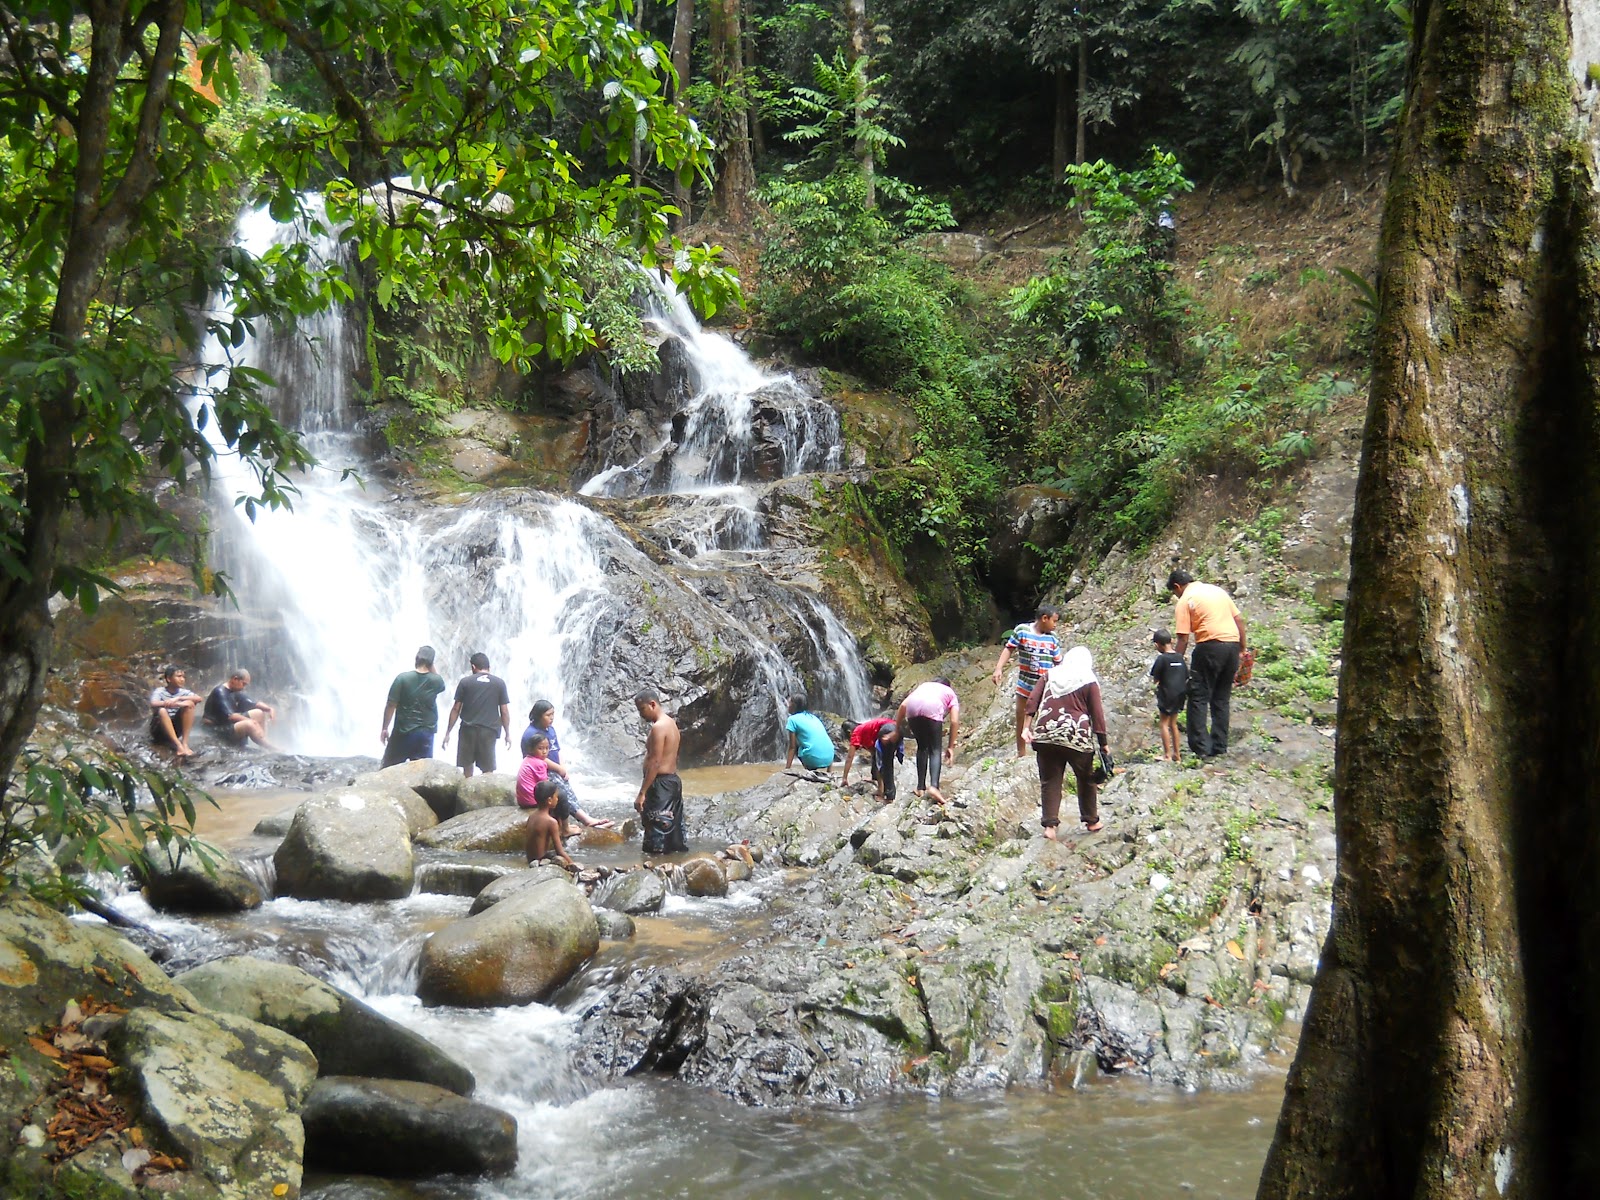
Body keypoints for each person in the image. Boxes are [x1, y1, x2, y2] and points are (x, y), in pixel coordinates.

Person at [1021, 646, 1109, 837]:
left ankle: (1050, 827)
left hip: (1045, 734)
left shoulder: (1050, 674)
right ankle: (1091, 821)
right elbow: (1097, 714)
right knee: (1085, 778)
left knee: (1050, 779)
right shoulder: (1088, 679)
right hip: (1075, 735)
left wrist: (1026, 727)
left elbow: (1032, 701)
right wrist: (1103, 743)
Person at [1168, 569, 1248, 758]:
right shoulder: (1217, 591)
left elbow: (1183, 640)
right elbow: (1239, 619)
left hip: (1210, 646)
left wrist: (1175, 665)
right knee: (1221, 698)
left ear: (1177, 587)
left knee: (1198, 696)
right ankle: (1220, 746)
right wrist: (1242, 649)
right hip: (1232, 646)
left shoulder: (1185, 600)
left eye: (1174, 592)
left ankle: (1201, 748)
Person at [521, 700, 614, 831]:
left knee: (569, 791)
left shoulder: (551, 730)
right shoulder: (531, 735)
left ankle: (584, 818)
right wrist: (558, 769)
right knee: (562, 794)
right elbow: (536, 758)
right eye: (548, 715)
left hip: (556, 769)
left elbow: (557, 750)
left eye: (553, 714)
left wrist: (563, 768)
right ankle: (585, 820)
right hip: (542, 772)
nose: (552, 718)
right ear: (538, 715)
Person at [992, 605, 1065, 756]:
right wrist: (998, 668)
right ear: (1044, 618)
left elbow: (1059, 663)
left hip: (1045, 686)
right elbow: (1009, 648)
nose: (1055, 625)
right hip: (1025, 685)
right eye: (1054, 621)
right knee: (1021, 717)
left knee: (1044, 718)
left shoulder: (1052, 638)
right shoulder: (1022, 631)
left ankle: (1043, 752)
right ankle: (1021, 752)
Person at [440, 652, 511, 778]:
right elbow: (504, 711)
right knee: (488, 770)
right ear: (489, 666)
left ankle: (465, 794)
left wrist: (448, 733)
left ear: (473, 667)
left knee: (467, 768)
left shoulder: (465, 682)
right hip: (489, 731)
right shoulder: (499, 683)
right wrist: (507, 734)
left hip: (468, 729)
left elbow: (456, 708)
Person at [633, 688, 685, 854]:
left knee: (657, 831)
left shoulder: (658, 728)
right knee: (673, 831)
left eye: (642, 709)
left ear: (652, 704)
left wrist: (642, 793)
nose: (641, 714)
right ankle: (673, 867)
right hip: (672, 782)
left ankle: (656, 869)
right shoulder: (671, 723)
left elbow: (655, 762)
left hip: (661, 785)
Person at [379, 645, 447, 767]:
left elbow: (391, 705)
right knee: (422, 774)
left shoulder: (402, 679)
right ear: (431, 663)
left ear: (416, 659)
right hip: (426, 733)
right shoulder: (436, 681)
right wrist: (431, 665)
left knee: (389, 767)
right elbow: (440, 681)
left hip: (403, 732)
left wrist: (385, 728)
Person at [895, 678, 960, 802]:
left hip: (912, 710)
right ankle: (934, 787)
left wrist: (896, 728)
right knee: (935, 750)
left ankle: (920, 787)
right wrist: (951, 747)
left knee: (922, 747)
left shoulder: (924, 686)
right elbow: (954, 721)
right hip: (932, 708)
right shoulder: (949, 692)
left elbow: (903, 705)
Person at [201, 668, 279, 751]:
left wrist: (269, 709)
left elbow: (254, 703)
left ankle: (263, 742)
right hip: (215, 729)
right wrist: (252, 721)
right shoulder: (220, 692)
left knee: (259, 713)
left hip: (227, 724)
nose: (243, 687)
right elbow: (231, 716)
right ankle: (271, 748)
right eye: (243, 684)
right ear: (235, 679)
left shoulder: (235, 692)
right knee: (249, 724)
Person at [840, 717, 903, 802]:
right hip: (897, 728)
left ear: (849, 732)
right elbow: (874, 752)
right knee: (883, 760)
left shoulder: (856, 732)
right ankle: (876, 780)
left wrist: (844, 778)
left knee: (885, 763)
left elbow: (849, 757)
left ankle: (886, 795)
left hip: (887, 730)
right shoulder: (865, 729)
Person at [1149, 630, 1189, 763]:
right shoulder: (1179, 657)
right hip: (1180, 694)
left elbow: (1156, 678)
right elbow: (1186, 676)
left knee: (1164, 724)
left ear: (1157, 645)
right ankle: (1177, 755)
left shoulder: (1162, 659)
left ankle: (1167, 755)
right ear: (1171, 641)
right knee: (1173, 724)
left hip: (1167, 694)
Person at [149, 665, 200, 761]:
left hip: (176, 729)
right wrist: (168, 703)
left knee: (189, 704)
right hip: (160, 731)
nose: (182, 679)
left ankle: (184, 743)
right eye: (179, 676)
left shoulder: (183, 692)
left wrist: (179, 699)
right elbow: (153, 703)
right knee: (162, 710)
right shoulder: (160, 691)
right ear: (168, 679)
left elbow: (198, 698)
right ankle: (178, 745)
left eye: (183, 677)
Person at [522, 779, 574, 868]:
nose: (557, 799)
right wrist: (573, 864)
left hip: (530, 860)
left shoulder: (532, 817)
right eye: (556, 797)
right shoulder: (551, 822)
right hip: (541, 862)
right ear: (549, 800)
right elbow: (559, 851)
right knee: (563, 856)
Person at [783, 694, 835, 773]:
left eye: (790, 703)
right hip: (830, 757)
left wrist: (786, 770)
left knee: (795, 744)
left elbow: (792, 747)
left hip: (813, 760)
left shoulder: (792, 719)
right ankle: (829, 772)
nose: (787, 705)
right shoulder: (813, 717)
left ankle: (809, 770)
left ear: (794, 705)